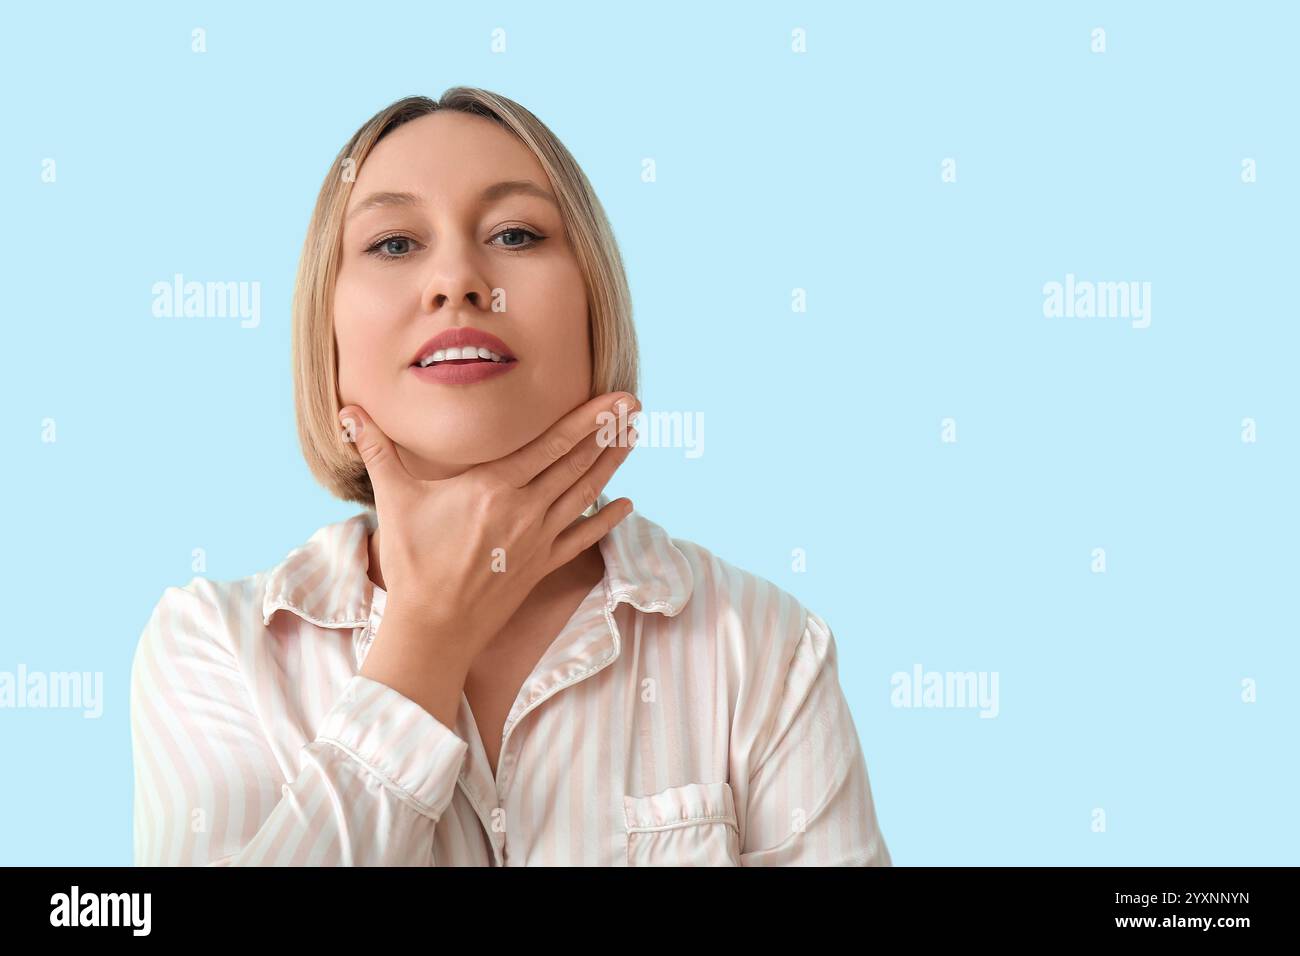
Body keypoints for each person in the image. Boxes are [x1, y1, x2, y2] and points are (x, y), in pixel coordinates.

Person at [129, 88, 892, 866]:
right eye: (394, 243)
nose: (458, 280)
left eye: (516, 233)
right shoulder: (214, 646)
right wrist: (428, 634)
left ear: (595, 305)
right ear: (324, 328)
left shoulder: (761, 644)